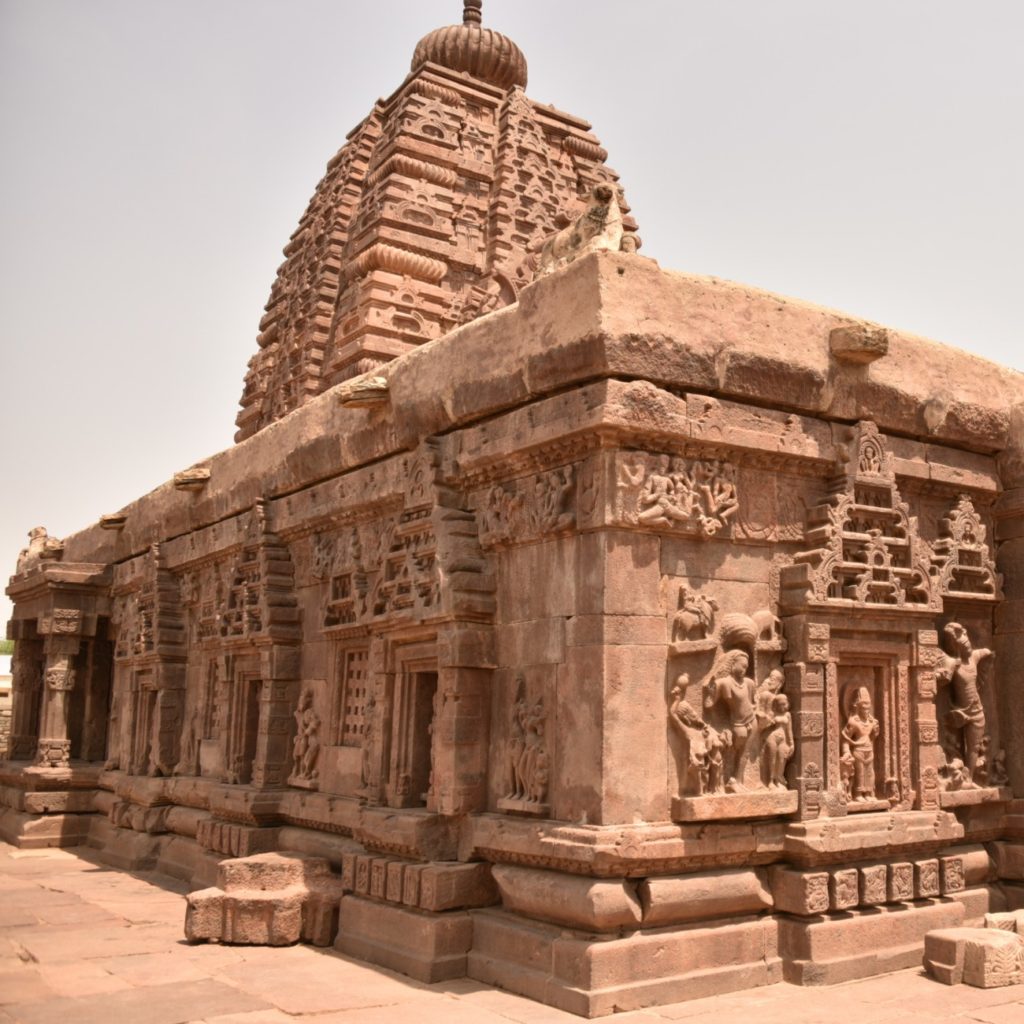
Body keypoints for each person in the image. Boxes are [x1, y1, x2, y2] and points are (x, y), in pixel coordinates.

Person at [704, 650, 757, 792]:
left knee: (745, 753)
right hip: (738, 724)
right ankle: (729, 780)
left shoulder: (749, 683)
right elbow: (709, 705)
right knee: (734, 752)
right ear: (733, 664)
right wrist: (710, 690)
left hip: (752, 720)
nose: (745, 670)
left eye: (747, 667)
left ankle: (738, 780)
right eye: (743, 666)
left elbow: (751, 702)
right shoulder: (724, 683)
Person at [841, 687, 879, 801]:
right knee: (860, 773)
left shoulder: (872, 722)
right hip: (858, 751)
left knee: (870, 773)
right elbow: (845, 738)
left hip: (869, 750)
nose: (866, 711)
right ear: (858, 707)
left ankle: (868, 793)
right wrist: (846, 752)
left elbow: (871, 737)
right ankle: (858, 794)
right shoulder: (854, 722)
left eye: (868, 709)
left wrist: (875, 732)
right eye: (864, 709)